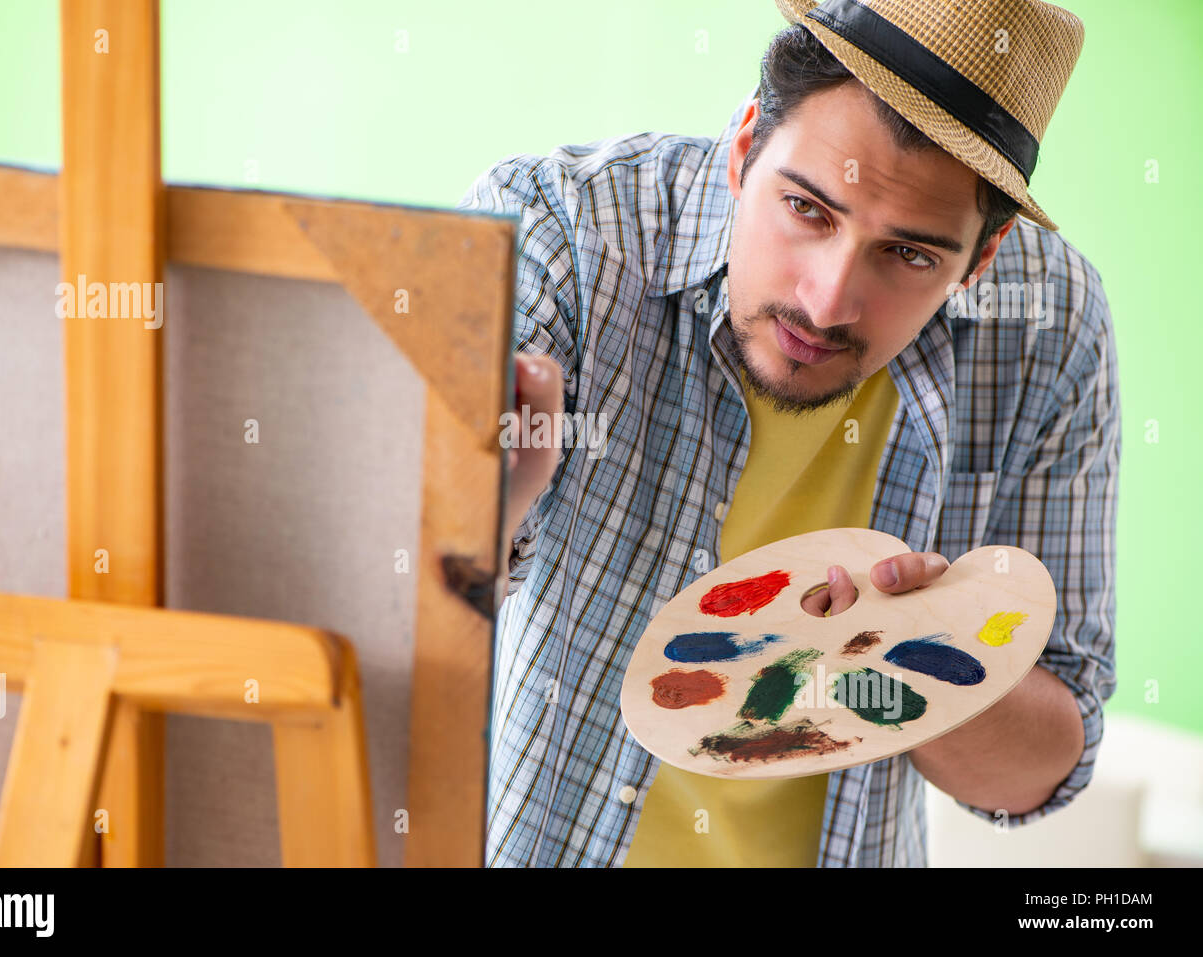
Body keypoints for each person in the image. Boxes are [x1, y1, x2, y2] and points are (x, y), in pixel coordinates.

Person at [458, 0, 1118, 867]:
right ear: (742, 145)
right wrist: (482, 512)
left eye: (909, 256)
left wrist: (912, 659)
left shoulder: (1049, 326)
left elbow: (1034, 774)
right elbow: (386, 582)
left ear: (980, 259)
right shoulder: (566, 232)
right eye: (809, 209)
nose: (826, 300)